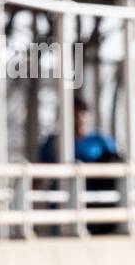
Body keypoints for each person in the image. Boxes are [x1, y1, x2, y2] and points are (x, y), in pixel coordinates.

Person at [38, 97, 123, 235]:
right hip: (62, 204)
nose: (79, 118)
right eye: (74, 113)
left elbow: (118, 165)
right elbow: (39, 173)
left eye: (82, 113)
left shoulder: (100, 141)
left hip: (95, 204)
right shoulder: (53, 142)